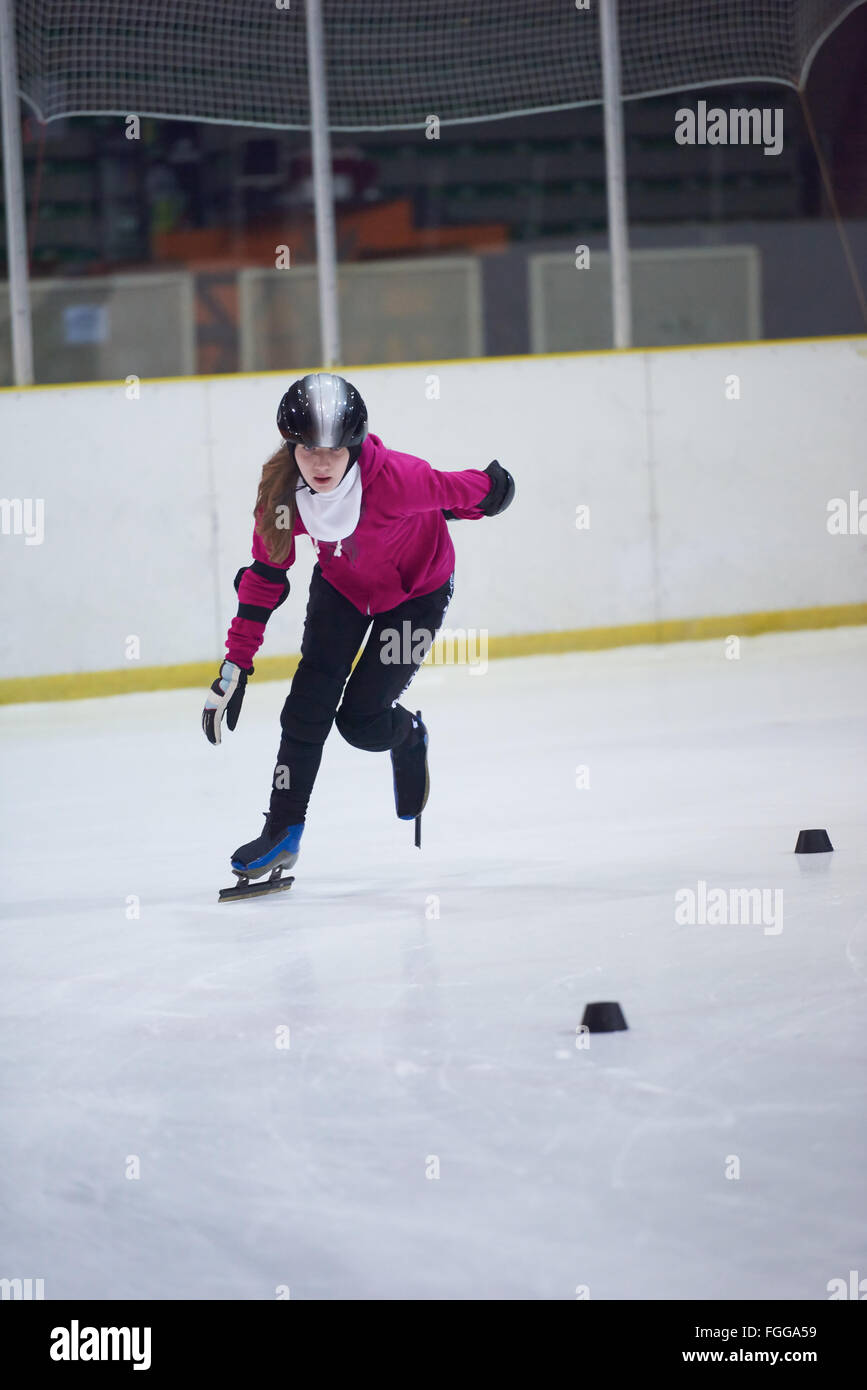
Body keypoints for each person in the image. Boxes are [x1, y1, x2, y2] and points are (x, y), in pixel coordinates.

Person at [202, 372, 514, 883]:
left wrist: (491, 492)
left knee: (362, 724)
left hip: (417, 594)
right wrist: (235, 663)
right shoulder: (281, 499)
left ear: (354, 445)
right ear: (291, 445)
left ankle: (409, 735)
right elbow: (264, 579)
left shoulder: (400, 480)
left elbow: (475, 491)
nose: (320, 464)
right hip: (342, 589)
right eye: (307, 449)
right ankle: (283, 831)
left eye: (333, 450)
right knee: (306, 706)